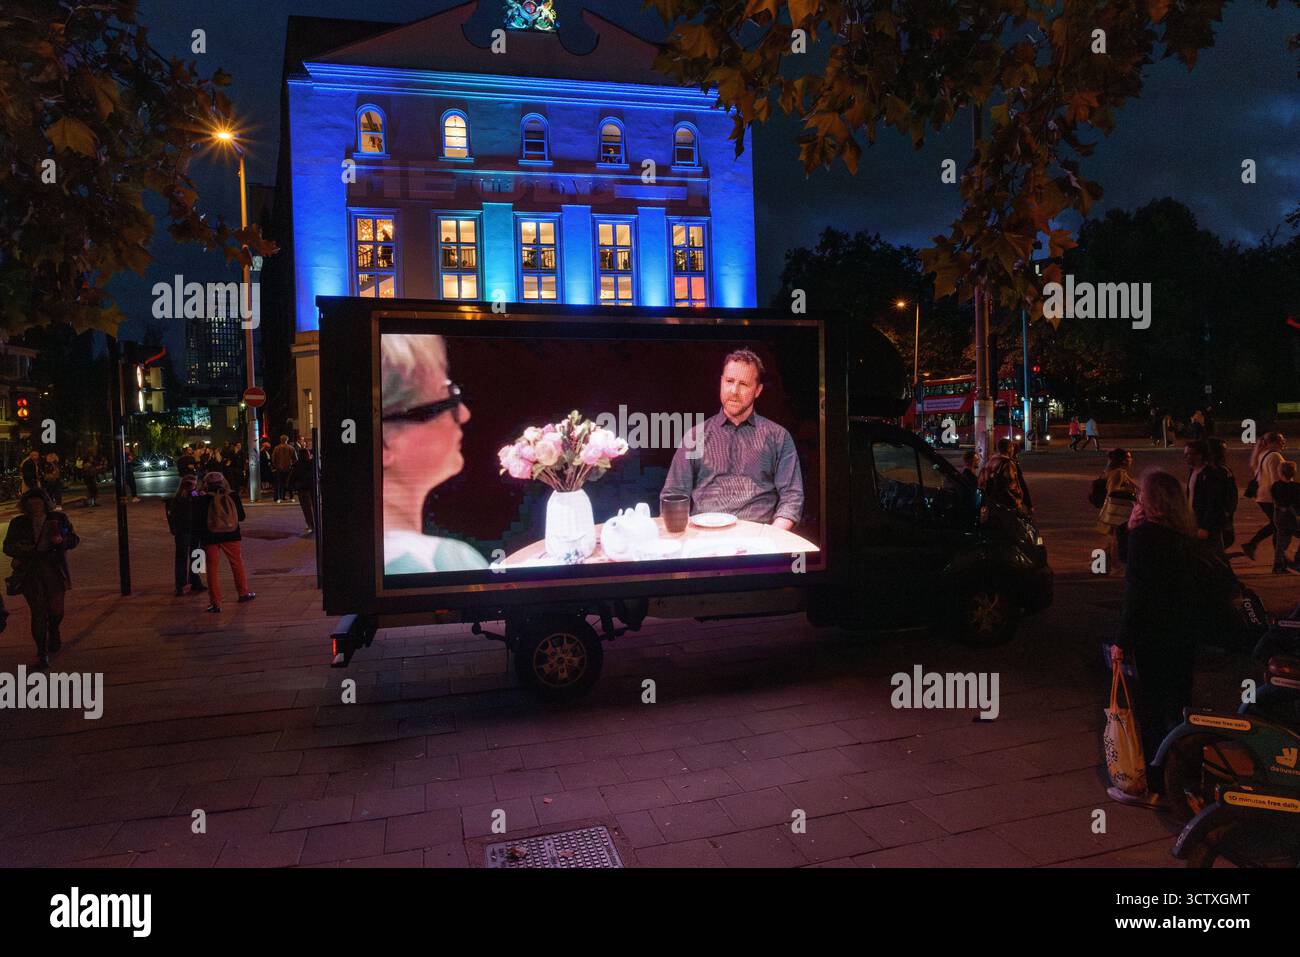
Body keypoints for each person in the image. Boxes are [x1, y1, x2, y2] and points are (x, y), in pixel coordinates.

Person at [1108, 471, 1208, 808]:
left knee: (1150, 711)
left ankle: (1154, 786)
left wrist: (1122, 639)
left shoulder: (1146, 537)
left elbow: (1136, 590)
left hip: (1153, 636)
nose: (1136, 501)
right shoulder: (1186, 535)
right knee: (1181, 708)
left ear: (1151, 501)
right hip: (1184, 635)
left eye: (1140, 497)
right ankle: (1189, 779)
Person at [661, 348, 805, 530]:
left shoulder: (778, 437)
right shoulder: (695, 436)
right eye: (729, 381)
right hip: (703, 538)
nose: (734, 391)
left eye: (744, 384)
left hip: (759, 538)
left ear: (758, 390)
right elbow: (674, 494)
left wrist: (771, 538)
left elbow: (792, 497)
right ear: (721, 382)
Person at [382, 334, 488, 574]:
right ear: (382, 445)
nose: (463, 414)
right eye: (446, 400)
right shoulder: (448, 563)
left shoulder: (358, 561)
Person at [3, 489, 78, 669]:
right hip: (31, 571)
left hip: (54, 569)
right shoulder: (18, 522)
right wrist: (23, 549)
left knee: (56, 610)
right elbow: (7, 547)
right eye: (31, 503)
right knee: (37, 612)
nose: (35, 506)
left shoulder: (58, 519)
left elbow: (74, 539)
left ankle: (54, 629)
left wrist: (62, 541)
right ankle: (41, 652)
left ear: (45, 503)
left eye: (38, 502)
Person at [193, 471, 254, 612]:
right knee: (237, 563)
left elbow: (198, 521)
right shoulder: (232, 495)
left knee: (212, 569)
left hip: (210, 537)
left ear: (206, 484)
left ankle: (215, 602)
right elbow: (242, 516)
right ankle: (243, 593)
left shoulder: (203, 498)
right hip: (231, 535)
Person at [1242, 432, 1287, 563]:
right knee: (1279, 526)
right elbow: (1275, 480)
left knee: (1276, 525)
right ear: (1272, 442)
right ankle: (1279, 559)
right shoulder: (1274, 456)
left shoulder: (1262, 454)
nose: (1283, 442)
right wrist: (1283, 499)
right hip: (1270, 496)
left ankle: (1253, 545)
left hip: (1262, 496)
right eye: (1280, 440)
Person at [1184, 439, 1234, 554]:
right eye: (1185, 454)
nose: (1186, 457)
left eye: (1189, 454)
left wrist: (1206, 526)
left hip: (1209, 525)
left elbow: (1214, 502)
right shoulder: (1193, 472)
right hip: (1195, 520)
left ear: (1200, 455)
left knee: (1215, 556)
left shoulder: (1211, 474)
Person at [1096, 448, 1137, 575]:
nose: (1131, 460)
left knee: (1114, 539)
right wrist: (1129, 493)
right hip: (1117, 511)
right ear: (1123, 460)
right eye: (1128, 457)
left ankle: (1101, 565)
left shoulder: (1115, 471)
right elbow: (1113, 491)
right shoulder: (1118, 473)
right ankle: (1115, 567)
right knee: (1116, 539)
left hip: (1115, 509)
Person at [165, 475, 206, 597]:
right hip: (189, 530)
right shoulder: (185, 498)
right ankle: (190, 582)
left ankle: (185, 583)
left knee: (189, 556)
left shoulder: (178, 498)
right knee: (193, 555)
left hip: (185, 531)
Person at [979, 438, 1033, 517]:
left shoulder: (991, 461)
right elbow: (1015, 484)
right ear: (1009, 448)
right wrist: (1022, 502)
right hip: (1008, 503)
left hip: (993, 501)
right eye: (1012, 448)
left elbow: (984, 481)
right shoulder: (1008, 464)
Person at [1206, 437, 1239, 549]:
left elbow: (1230, 495)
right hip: (1212, 516)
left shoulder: (1222, 471)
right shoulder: (1213, 471)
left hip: (1217, 515)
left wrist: (1227, 512)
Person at [1270, 460, 1300, 574]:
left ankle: (1278, 565)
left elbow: (1276, 500)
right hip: (1293, 518)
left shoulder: (1275, 486)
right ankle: (1297, 562)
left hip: (1280, 518)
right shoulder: (1296, 487)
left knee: (1281, 542)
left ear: (1280, 473)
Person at [290, 440, 316, 535]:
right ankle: (316, 523)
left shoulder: (297, 465)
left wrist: (294, 486)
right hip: (313, 487)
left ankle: (310, 525)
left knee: (306, 508)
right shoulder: (312, 463)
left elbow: (292, 477)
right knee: (315, 506)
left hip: (302, 489)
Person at [271, 436, 297, 503]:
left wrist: (276, 466)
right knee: (289, 483)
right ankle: (291, 496)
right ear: (287, 440)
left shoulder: (276, 448)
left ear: (280, 440)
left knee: (279, 483)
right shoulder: (291, 448)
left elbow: (273, 459)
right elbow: (295, 459)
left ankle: (279, 497)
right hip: (289, 468)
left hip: (279, 469)